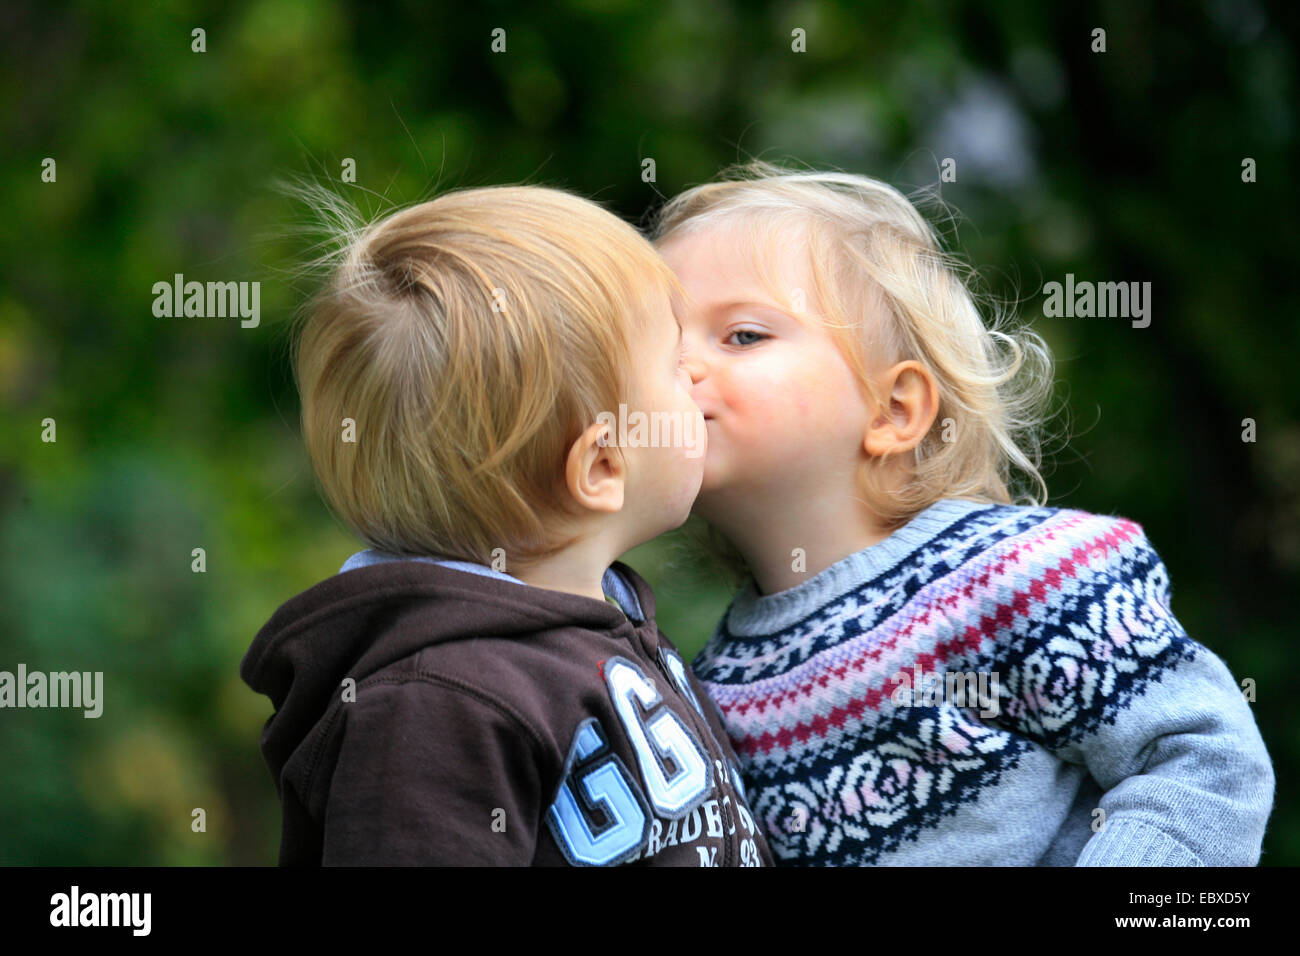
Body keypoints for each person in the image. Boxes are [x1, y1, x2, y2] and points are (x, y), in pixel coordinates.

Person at [653, 160, 1275, 866]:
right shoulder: (704, 684)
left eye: (741, 336)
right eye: (660, 348)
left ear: (894, 410)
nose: (681, 371)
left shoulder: (1031, 579)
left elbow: (1203, 762)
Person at [242, 183, 772, 866]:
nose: (699, 374)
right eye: (674, 366)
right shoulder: (432, 708)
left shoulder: (601, 618)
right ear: (601, 466)